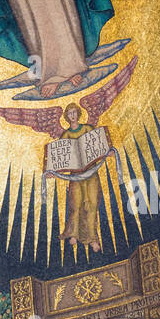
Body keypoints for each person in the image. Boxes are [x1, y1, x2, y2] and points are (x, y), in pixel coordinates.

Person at [58, 103, 103, 252]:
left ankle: (92, 238)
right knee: (75, 205)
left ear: (78, 113)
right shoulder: (65, 135)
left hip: (91, 173)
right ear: (66, 117)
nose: (72, 115)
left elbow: (98, 146)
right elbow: (61, 157)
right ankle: (74, 234)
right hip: (76, 176)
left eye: (74, 112)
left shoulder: (87, 129)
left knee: (91, 205)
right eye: (69, 113)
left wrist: (106, 152)